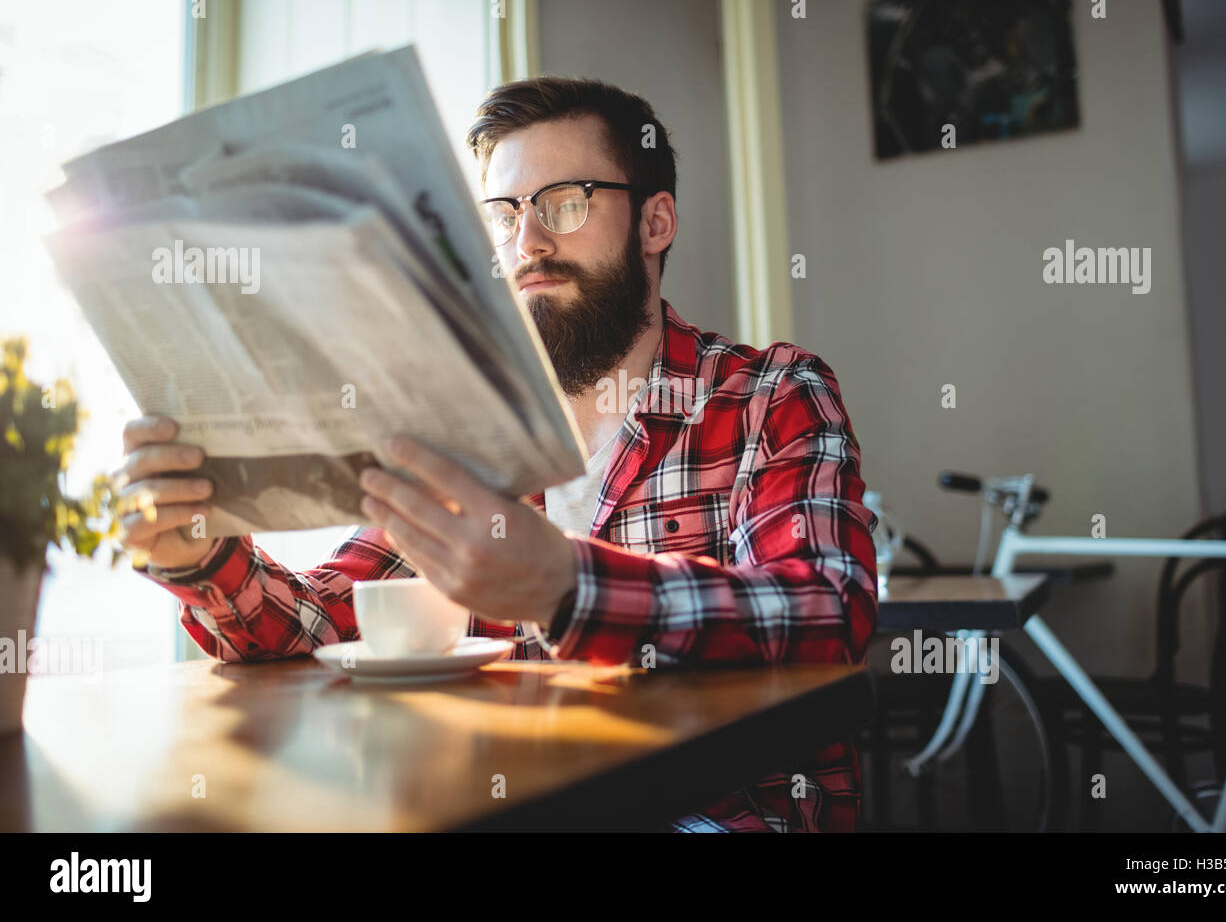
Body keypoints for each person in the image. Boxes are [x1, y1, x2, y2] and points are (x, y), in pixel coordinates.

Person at [117, 77, 878, 832]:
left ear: (655, 222)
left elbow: (826, 611)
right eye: (506, 213)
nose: (529, 242)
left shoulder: (770, 393)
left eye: (565, 202)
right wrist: (204, 558)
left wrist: (565, 588)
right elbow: (328, 623)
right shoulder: (459, 435)